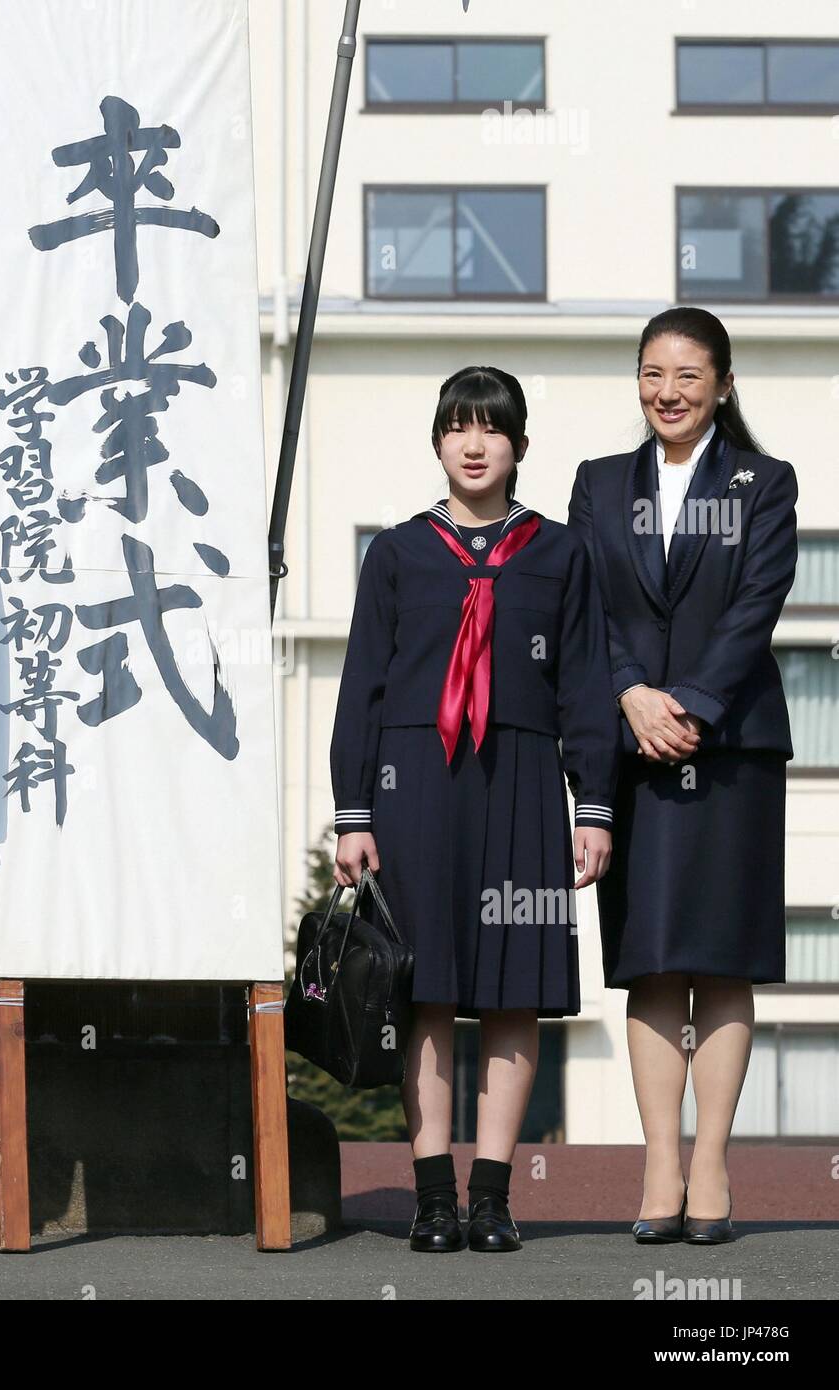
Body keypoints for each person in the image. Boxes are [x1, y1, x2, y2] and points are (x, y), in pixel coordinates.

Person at [331, 366, 619, 1252]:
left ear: (520, 446)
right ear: (438, 442)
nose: (474, 442)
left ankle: (492, 1195)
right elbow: (361, 691)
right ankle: (431, 1197)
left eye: (491, 428)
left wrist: (594, 805)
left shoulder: (562, 553)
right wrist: (353, 813)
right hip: (411, 784)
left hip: (524, 781)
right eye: (457, 426)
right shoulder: (397, 552)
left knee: (511, 996)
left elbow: (585, 688)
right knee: (424, 995)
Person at [568, 306, 797, 1245]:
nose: (668, 392)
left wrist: (692, 702)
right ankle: (661, 1161)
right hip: (634, 749)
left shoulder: (764, 482)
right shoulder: (596, 484)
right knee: (651, 961)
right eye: (653, 374)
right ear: (638, 381)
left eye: (689, 376)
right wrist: (631, 696)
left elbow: (758, 604)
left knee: (722, 958)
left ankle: (713, 1167)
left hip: (730, 744)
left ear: (723, 385)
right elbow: (587, 611)